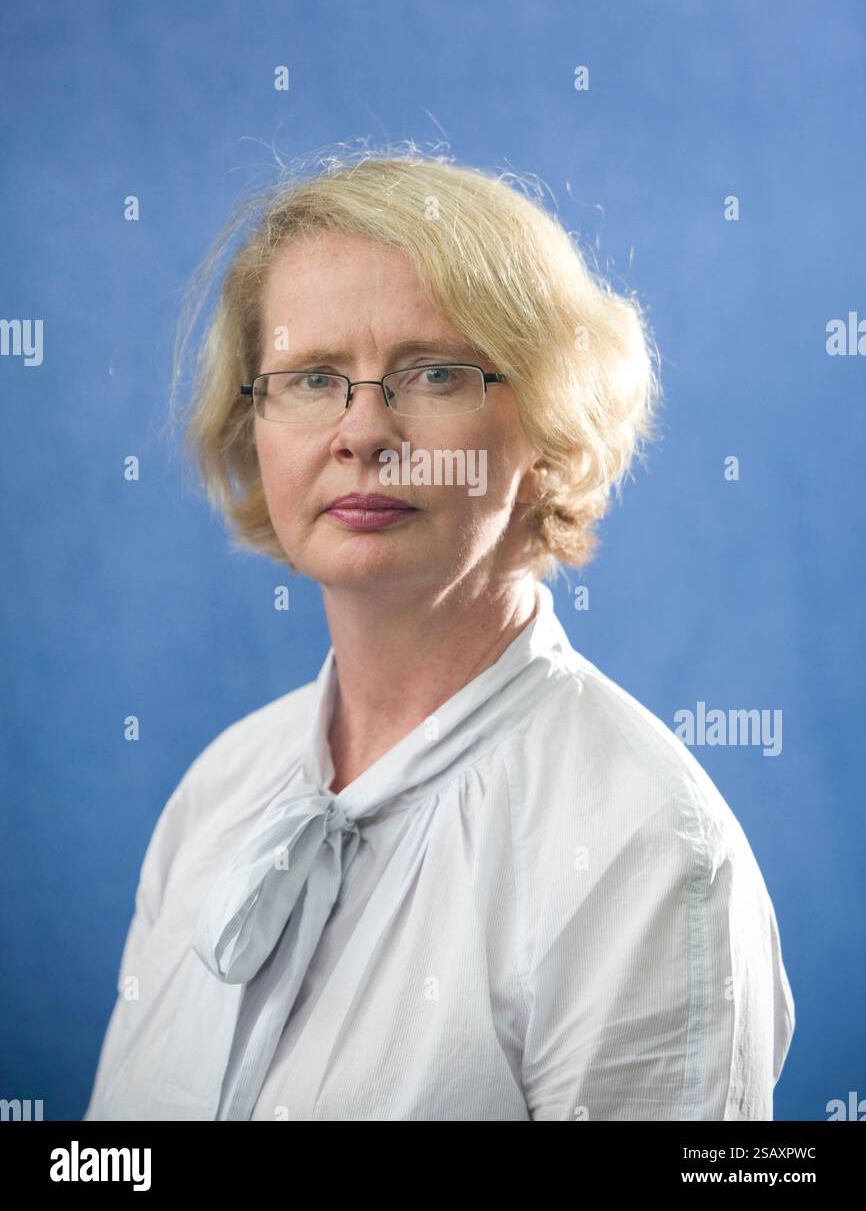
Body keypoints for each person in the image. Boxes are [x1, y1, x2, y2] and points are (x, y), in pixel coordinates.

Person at [83, 150, 795, 1121]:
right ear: (253, 425)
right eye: (312, 378)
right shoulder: (218, 791)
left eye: (433, 374)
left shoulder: (645, 855)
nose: (362, 432)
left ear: (549, 430)